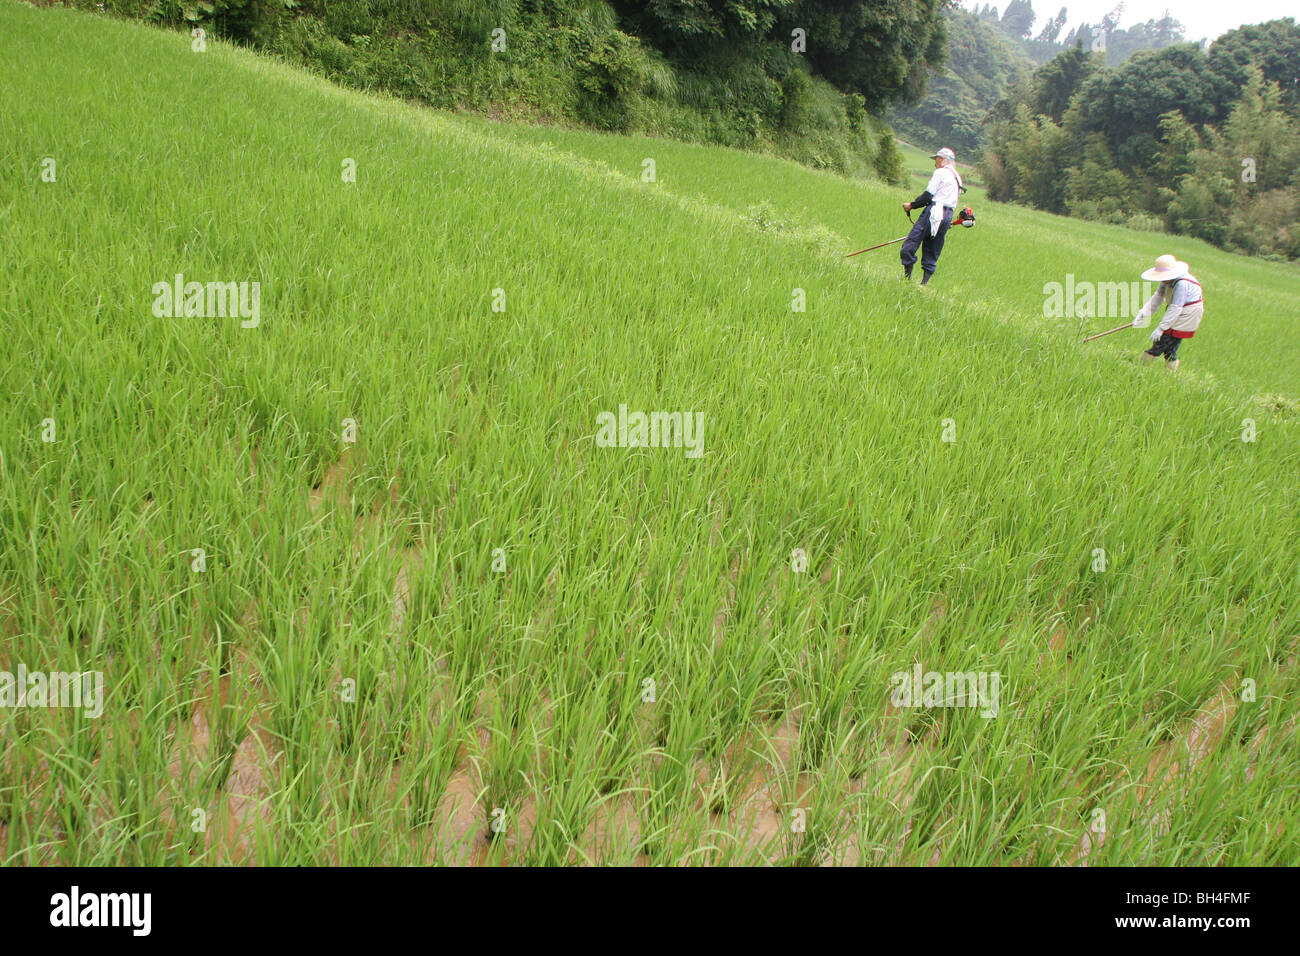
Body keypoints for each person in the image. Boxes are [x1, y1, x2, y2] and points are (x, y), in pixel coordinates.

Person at [901, 147, 964, 286]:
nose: (935, 162)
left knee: (909, 245)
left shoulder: (940, 172)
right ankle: (923, 284)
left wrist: (912, 205)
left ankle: (907, 279)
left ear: (942, 160)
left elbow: (928, 196)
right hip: (947, 215)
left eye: (936, 159)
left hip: (934, 211)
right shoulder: (958, 178)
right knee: (933, 248)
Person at [1134, 254, 1203, 371]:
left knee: (1164, 340)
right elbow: (1158, 297)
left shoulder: (1182, 284)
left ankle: (1139, 368)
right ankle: (1170, 374)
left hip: (1188, 313)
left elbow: (1176, 307)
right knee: (1170, 348)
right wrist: (1143, 314)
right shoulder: (1166, 281)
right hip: (1178, 309)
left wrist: (1161, 328)